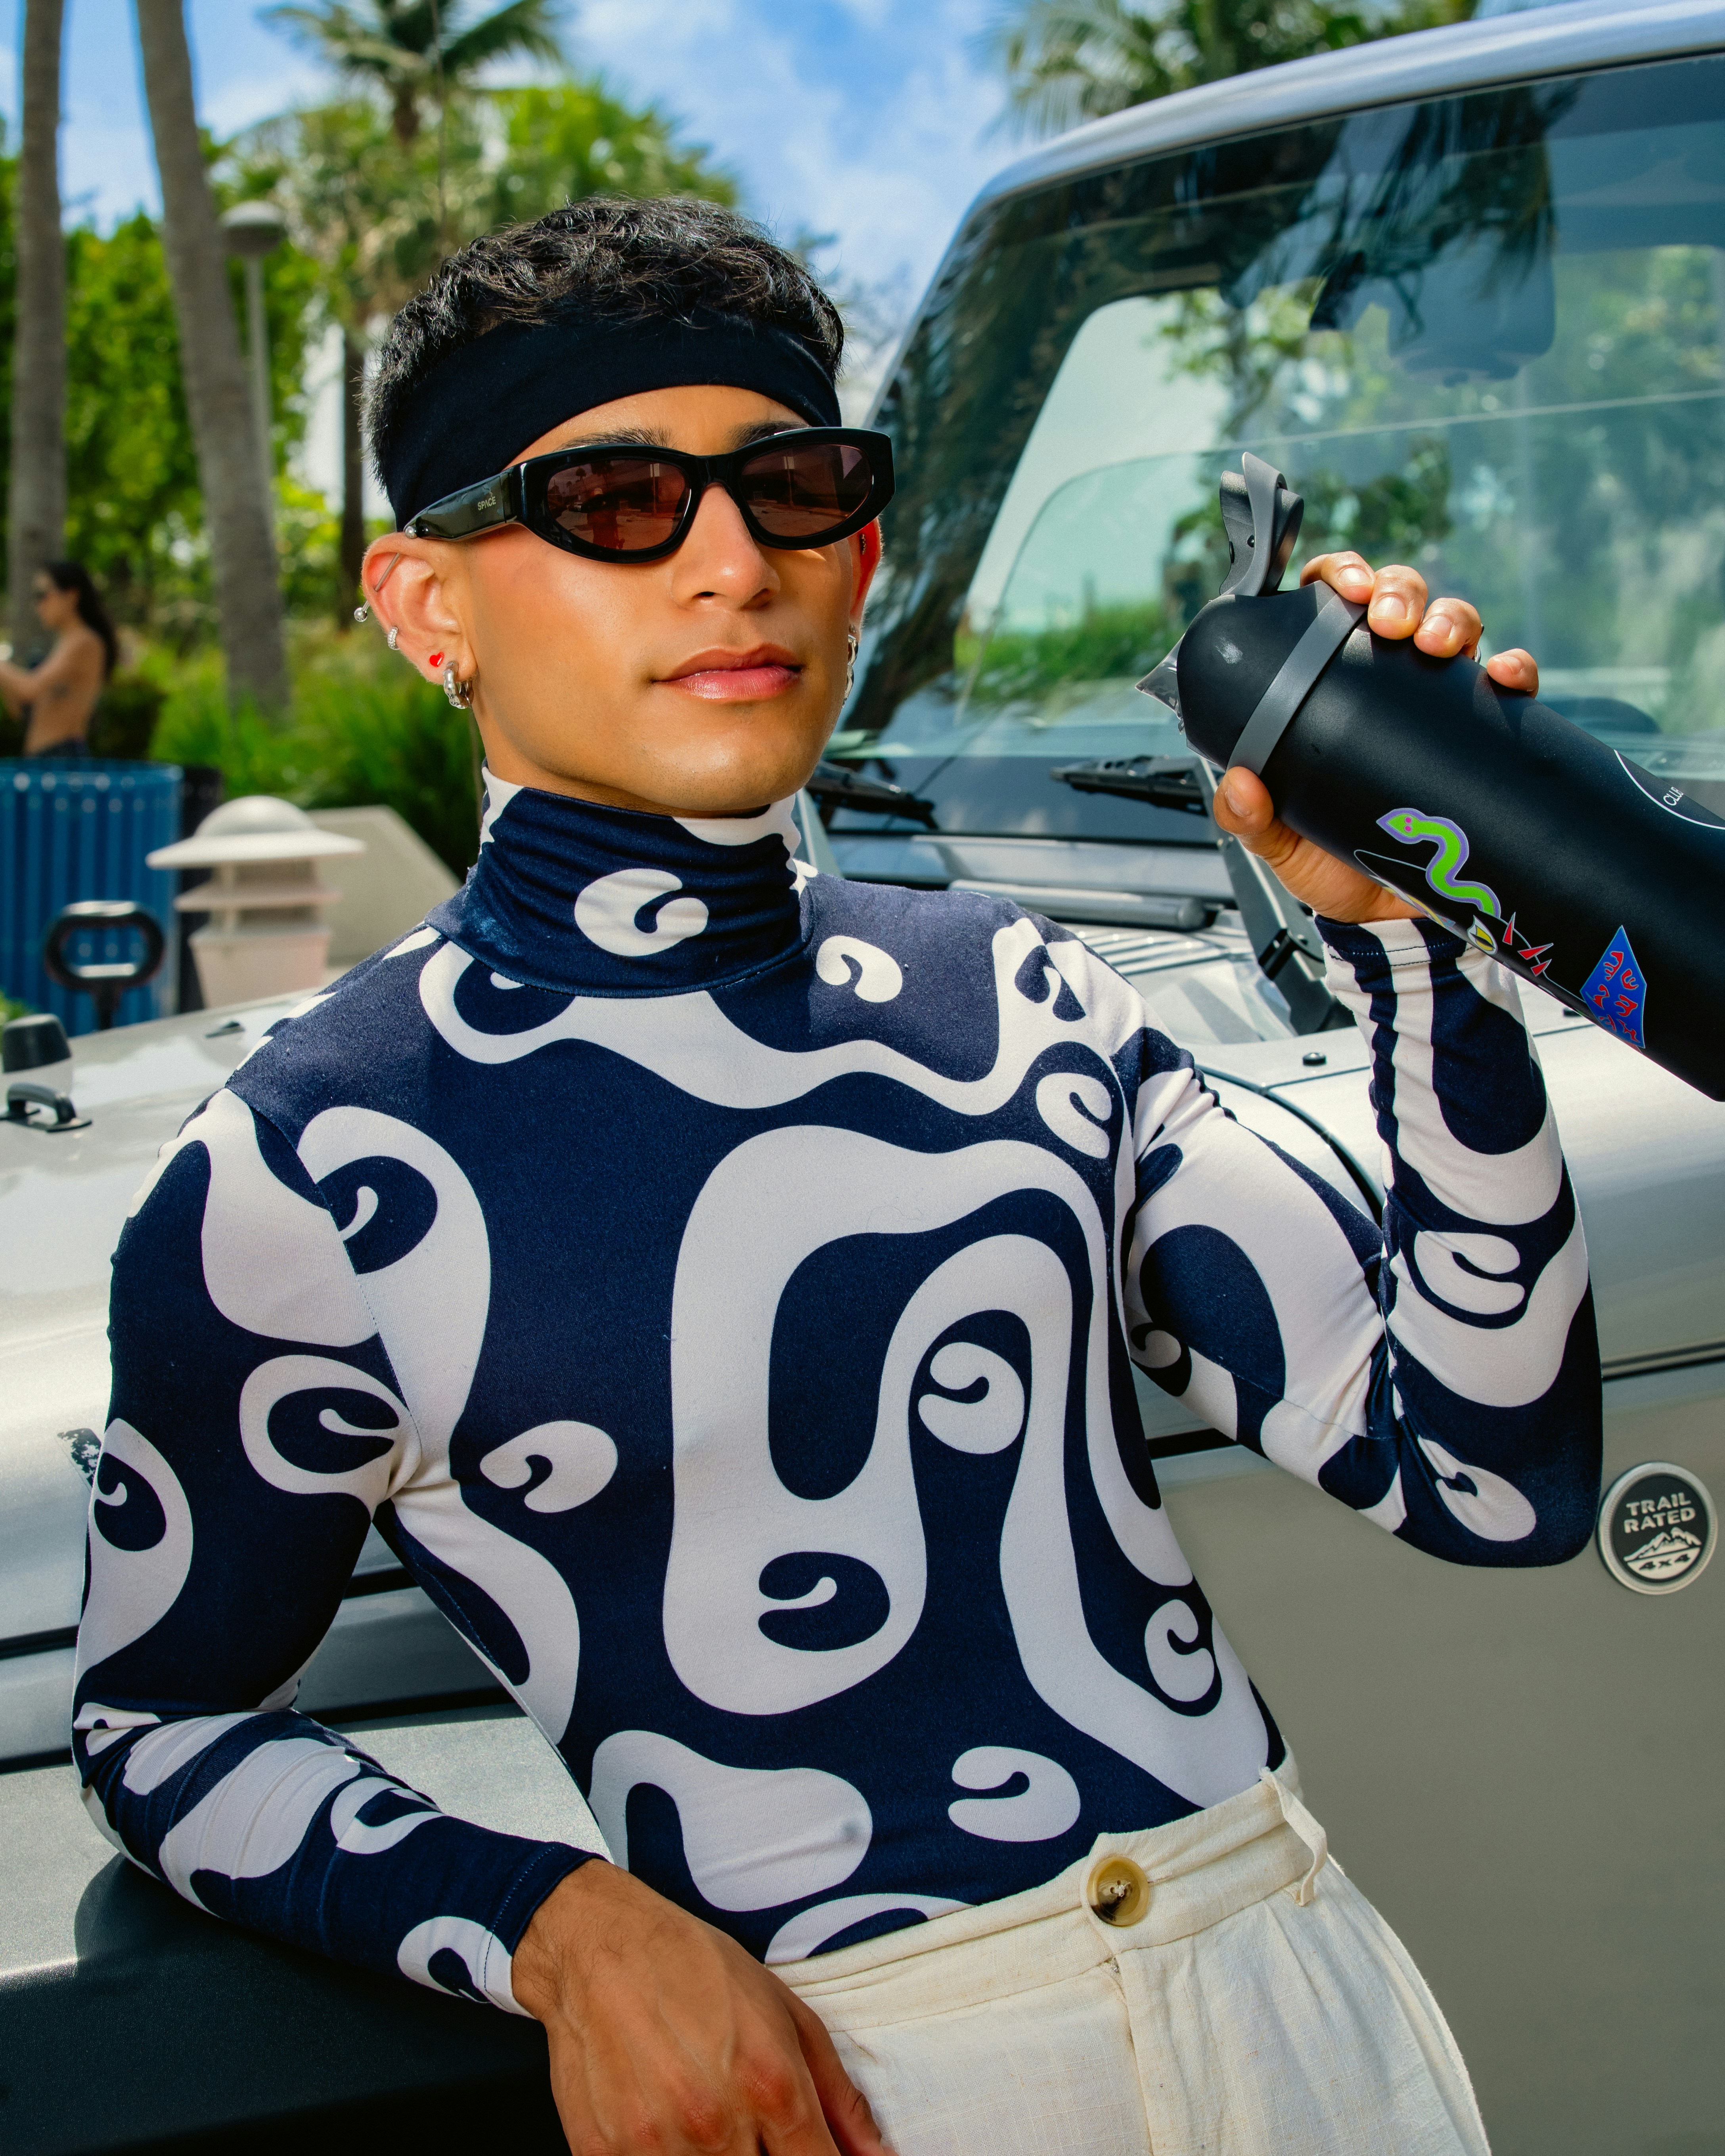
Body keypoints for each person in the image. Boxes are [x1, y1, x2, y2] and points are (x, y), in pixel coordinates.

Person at [73, 200, 1599, 2156]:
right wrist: (552, 1923)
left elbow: (1496, 1473)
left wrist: (1417, 946)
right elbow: (156, 1721)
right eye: (612, 495)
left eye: (795, 487)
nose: (733, 560)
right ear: (425, 600)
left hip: (1304, 1999)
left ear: (864, 551)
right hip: (852, 2079)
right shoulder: (303, 1165)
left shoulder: (1031, 1001)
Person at [0, 559, 117, 754]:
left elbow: (30, 688)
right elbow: (20, 710)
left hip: (62, 756)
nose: (38, 605)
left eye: (43, 595)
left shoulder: (85, 642)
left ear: (71, 596)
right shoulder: (65, 643)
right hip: (47, 757)